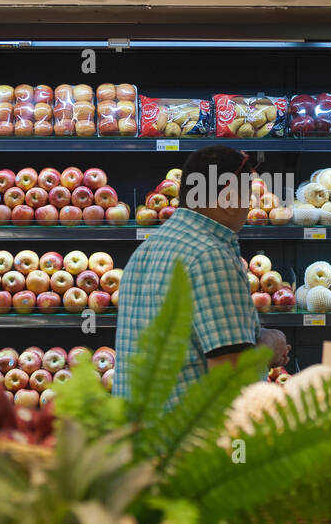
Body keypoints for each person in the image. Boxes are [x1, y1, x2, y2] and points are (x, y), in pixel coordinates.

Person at [114, 145, 289, 405]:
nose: (250, 205)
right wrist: (269, 345)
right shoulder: (211, 256)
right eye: (247, 195)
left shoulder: (147, 250)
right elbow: (230, 376)